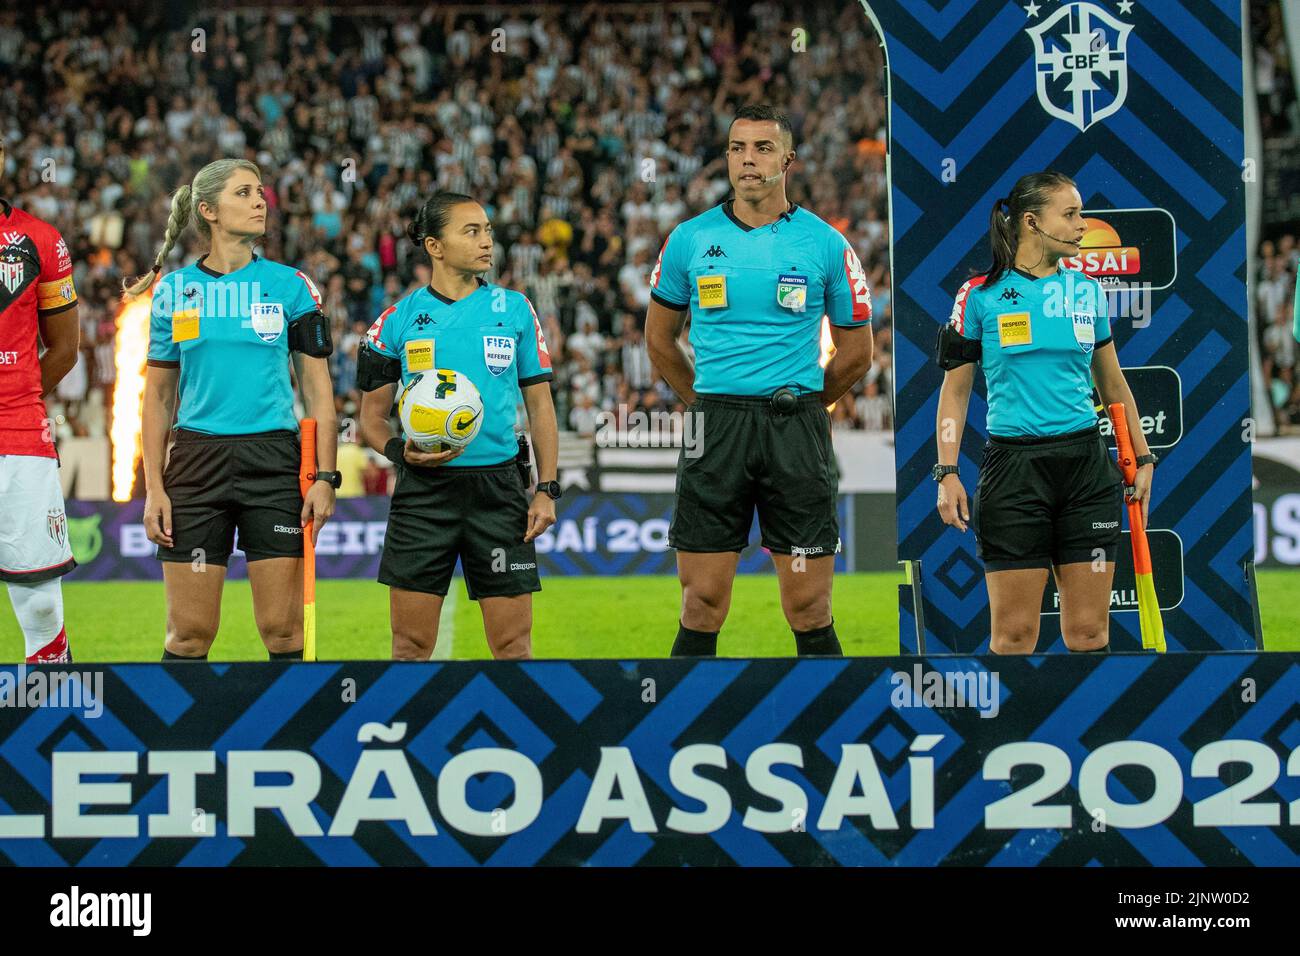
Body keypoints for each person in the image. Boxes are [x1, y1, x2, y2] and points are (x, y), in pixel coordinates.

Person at [644, 104, 874, 658]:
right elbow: (660, 339)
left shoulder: (824, 243)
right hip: (714, 429)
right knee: (701, 602)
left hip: (794, 425)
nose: (748, 160)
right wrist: (703, 403)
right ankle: (689, 732)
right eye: (737, 148)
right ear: (726, 157)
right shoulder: (689, 239)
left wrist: (808, 404)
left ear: (788, 159)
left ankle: (827, 735)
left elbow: (857, 353)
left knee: (809, 608)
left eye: (763, 148)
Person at [934, 171, 1155, 654]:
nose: (1082, 225)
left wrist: (1142, 456)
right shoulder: (979, 295)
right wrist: (947, 471)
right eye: (1071, 214)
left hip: (1086, 471)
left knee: (1090, 634)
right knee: (1014, 637)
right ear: (1032, 222)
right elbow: (955, 392)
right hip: (1014, 473)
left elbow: (1113, 382)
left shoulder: (1087, 292)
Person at [133, 158, 338, 662]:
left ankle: (292, 737)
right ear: (209, 211)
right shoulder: (176, 291)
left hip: (274, 461)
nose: (260, 201)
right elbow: (157, 397)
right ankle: (183, 741)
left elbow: (319, 391)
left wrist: (326, 476)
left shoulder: (292, 285)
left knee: (284, 632)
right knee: (189, 633)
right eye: (244, 193)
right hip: (196, 464)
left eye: (260, 192)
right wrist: (154, 488)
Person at [356, 191, 559, 660]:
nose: (487, 241)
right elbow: (370, 417)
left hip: (499, 492)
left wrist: (547, 488)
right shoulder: (397, 320)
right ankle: (409, 735)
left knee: (513, 646)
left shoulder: (515, 310)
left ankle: (512, 736)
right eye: (472, 231)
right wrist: (396, 452)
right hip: (422, 494)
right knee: (409, 646)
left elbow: (541, 406)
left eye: (487, 230)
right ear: (435, 246)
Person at [0, 138, 82, 663]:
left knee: (41, 606)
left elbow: (65, 348)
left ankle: (50, 720)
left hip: (18, 431)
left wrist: (17, 391)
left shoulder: (38, 239)